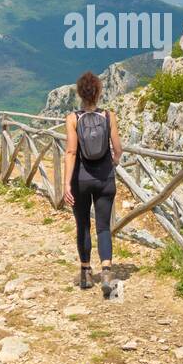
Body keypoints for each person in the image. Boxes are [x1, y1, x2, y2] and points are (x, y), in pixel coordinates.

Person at [63, 70, 123, 295]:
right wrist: (114, 162)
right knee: (104, 226)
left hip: (81, 180)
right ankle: (107, 272)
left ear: (79, 93)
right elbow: (118, 149)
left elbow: (70, 152)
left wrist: (67, 184)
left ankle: (86, 273)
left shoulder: (73, 119)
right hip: (105, 179)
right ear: (98, 92)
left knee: (83, 226)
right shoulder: (109, 116)